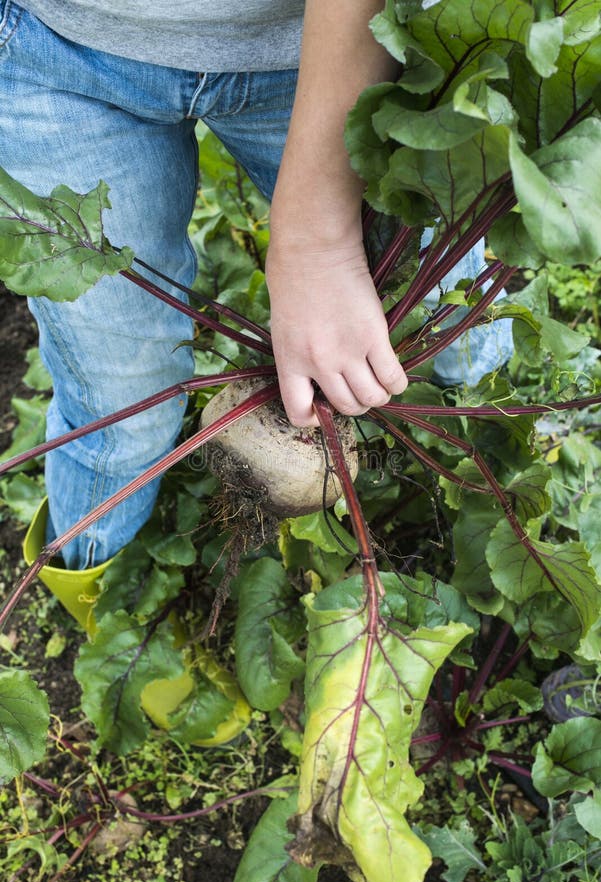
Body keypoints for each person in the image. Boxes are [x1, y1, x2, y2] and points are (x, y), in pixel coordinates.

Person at [1, 0, 512, 573]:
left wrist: (316, 244)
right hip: (59, 43)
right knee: (118, 406)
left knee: (454, 325)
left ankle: (498, 478)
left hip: (331, 52)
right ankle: (91, 584)